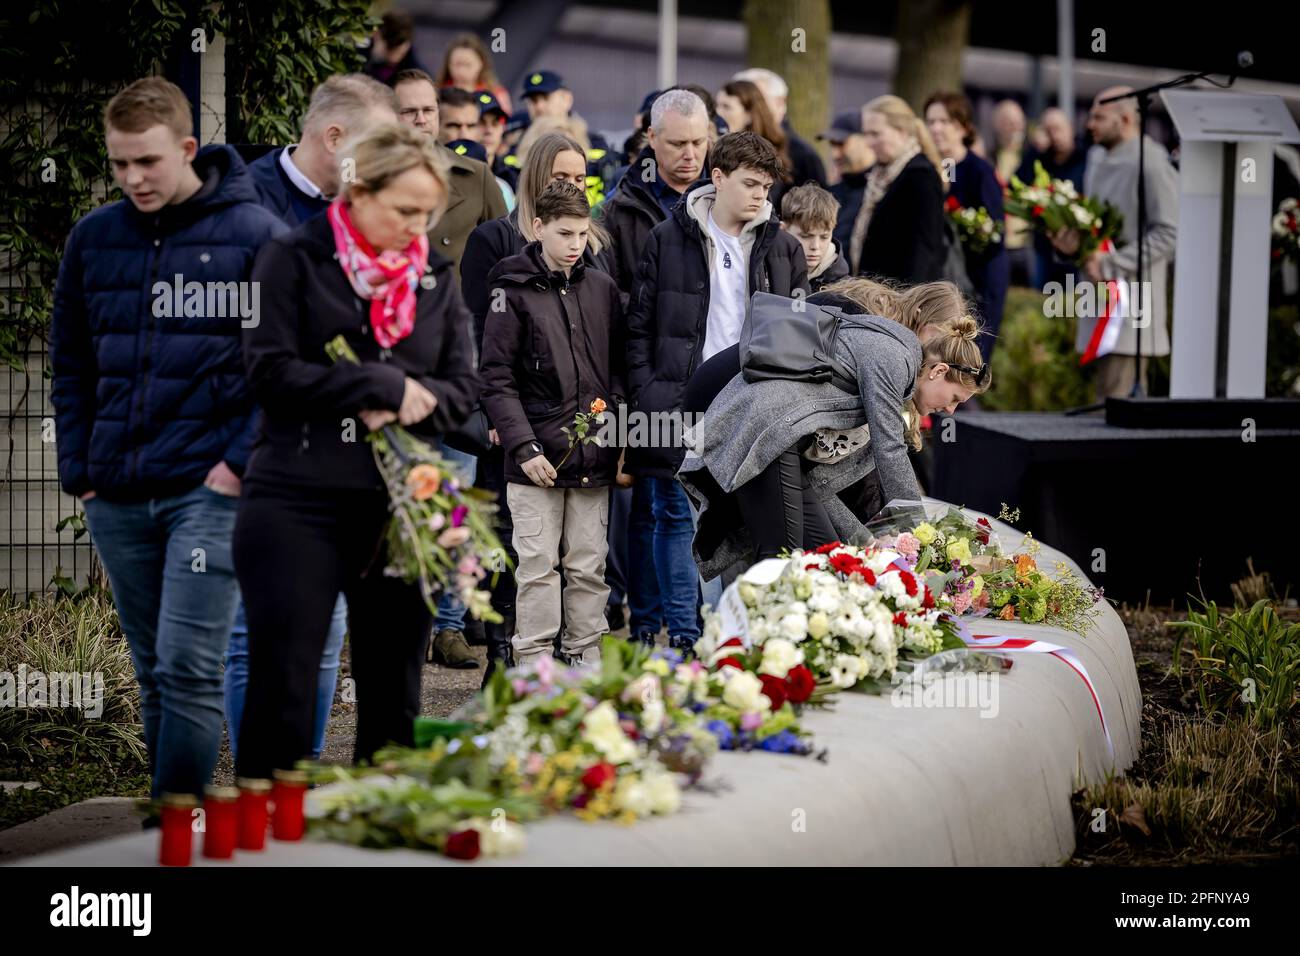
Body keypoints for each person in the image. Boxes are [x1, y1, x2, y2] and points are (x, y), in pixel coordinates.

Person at [50, 77, 286, 799]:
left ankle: (171, 825)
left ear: (187, 149)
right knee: (154, 668)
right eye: (119, 164)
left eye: (147, 161)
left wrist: (238, 466)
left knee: (189, 663)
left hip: (209, 492)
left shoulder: (257, 238)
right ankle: (174, 820)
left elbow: (288, 365)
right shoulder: (94, 238)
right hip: (116, 491)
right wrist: (80, 471)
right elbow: (71, 361)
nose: (132, 178)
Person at [235, 124, 477, 777]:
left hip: (403, 509)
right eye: (404, 210)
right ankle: (271, 840)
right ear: (357, 192)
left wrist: (413, 396)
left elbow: (462, 392)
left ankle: (379, 836)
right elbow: (269, 373)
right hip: (297, 498)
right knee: (285, 683)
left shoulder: (434, 273)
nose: (417, 227)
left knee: (394, 696)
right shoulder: (290, 259)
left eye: (427, 213)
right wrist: (379, 383)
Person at [231, 74, 397, 763]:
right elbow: (234, 354)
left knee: (326, 635)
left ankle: (298, 780)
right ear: (334, 138)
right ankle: (256, 784)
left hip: (341, 459)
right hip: (250, 457)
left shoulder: (362, 210)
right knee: (253, 634)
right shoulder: (244, 207)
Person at [626, 131, 809, 650]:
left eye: (767, 186)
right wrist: (648, 396)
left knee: (738, 526)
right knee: (674, 517)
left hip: (750, 407)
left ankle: (728, 640)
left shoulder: (784, 247)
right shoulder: (666, 237)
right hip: (678, 402)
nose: (759, 196)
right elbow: (639, 328)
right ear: (718, 177)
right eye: (749, 183)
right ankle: (684, 639)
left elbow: (799, 340)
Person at [679, 293, 989, 579]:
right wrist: (925, 541)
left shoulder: (892, 393)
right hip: (763, 429)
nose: (950, 411)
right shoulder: (897, 356)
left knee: (835, 564)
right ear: (938, 371)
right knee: (786, 561)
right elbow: (890, 450)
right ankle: (760, 637)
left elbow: (819, 486)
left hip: (778, 436)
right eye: (954, 398)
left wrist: (867, 544)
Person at [461, 131, 614, 678]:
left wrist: (614, 439)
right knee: (537, 565)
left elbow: (613, 371)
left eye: (581, 233)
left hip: (593, 452)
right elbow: (494, 374)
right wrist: (523, 444)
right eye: (564, 233)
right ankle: (532, 667)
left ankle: (586, 659)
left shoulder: (599, 288)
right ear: (540, 228)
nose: (575, 244)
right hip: (534, 457)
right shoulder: (512, 288)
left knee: (588, 565)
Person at [1050, 86, 1178, 400]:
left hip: (1132, 304)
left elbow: (1169, 233)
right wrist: (1069, 247)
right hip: (1097, 297)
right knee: (1103, 404)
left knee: (1118, 405)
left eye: (1099, 117)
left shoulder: (1151, 163)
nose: (1089, 124)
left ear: (1124, 120)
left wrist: (1109, 263)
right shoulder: (1096, 158)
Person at [393, 70, 506, 276]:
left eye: (428, 110)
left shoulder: (476, 175)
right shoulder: (371, 175)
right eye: (409, 111)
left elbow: (507, 254)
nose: (421, 119)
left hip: (457, 303)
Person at [925, 91, 1010, 364]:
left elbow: (995, 231)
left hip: (979, 276)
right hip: (940, 274)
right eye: (931, 121)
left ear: (963, 126)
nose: (936, 128)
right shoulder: (925, 168)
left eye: (944, 121)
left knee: (969, 354)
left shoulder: (979, 170)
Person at [248, 74, 397, 226]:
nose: (385, 162)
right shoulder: (249, 205)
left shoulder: (367, 200)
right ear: (335, 140)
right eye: (377, 146)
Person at [851, 95, 946, 284]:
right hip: (875, 292)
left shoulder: (920, 176)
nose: (868, 142)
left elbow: (923, 250)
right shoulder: (881, 174)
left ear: (901, 132)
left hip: (898, 299)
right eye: (866, 134)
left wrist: (907, 305)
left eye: (875, 134)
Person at [518, 70, 619, 204]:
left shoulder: (597, 146)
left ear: (567, 99)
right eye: (533, 100)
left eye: (545, 97)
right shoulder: (513, 150)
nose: (539, 106)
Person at [1017, 107, 1088, 289]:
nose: (1055, 136)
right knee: (1045, 302)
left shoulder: (1085, 157)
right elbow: (1017, 183)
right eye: (1049, 131)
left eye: (1058, 129)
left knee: (1075, 302)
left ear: (1070, 128)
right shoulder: (1040, 159)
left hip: (1077, 245)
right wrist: (1034, 150)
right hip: (1045, 246)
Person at [731, 67, 828, 188]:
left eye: (756, 99)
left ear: (779, 103)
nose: (749, 109)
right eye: (743, 102)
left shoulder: (803, 156)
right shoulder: (731, 144)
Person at [715, 79, 794, 209]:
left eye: (726, 107)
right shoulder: (713, 147)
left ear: (749, 114)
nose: (718, 113)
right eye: (717, 105)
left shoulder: (769, 156)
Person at [990, 99, 1034, 285]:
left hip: (1028, 242)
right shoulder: (989, 156)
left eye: (1018, 121)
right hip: (1000, 242)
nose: (1015, 126)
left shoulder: (1032, 156)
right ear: (997, 125)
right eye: (1009, 121)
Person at [819, 110, 874, 251]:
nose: (835, 154)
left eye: (841, 143)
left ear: (866, 139)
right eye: (832, 145)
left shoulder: (882, 191)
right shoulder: (831, 193)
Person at [782, 182, 849, 292]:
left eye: (824, 237)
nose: (815, 246)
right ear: (783, 230)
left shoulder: (842, 286)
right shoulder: (764, 269)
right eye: (805, 236)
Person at [437, 31, 512, 116]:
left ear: (481, 64)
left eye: (467, 65)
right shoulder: (437, 94)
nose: (461, 71)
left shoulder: (497, 94)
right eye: (457, 64)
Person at [365, 9, 430, 86]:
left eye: (400, 52)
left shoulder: (415, 71)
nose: (394, 57)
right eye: (390, 49)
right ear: (376, 35)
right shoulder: (359, 55)